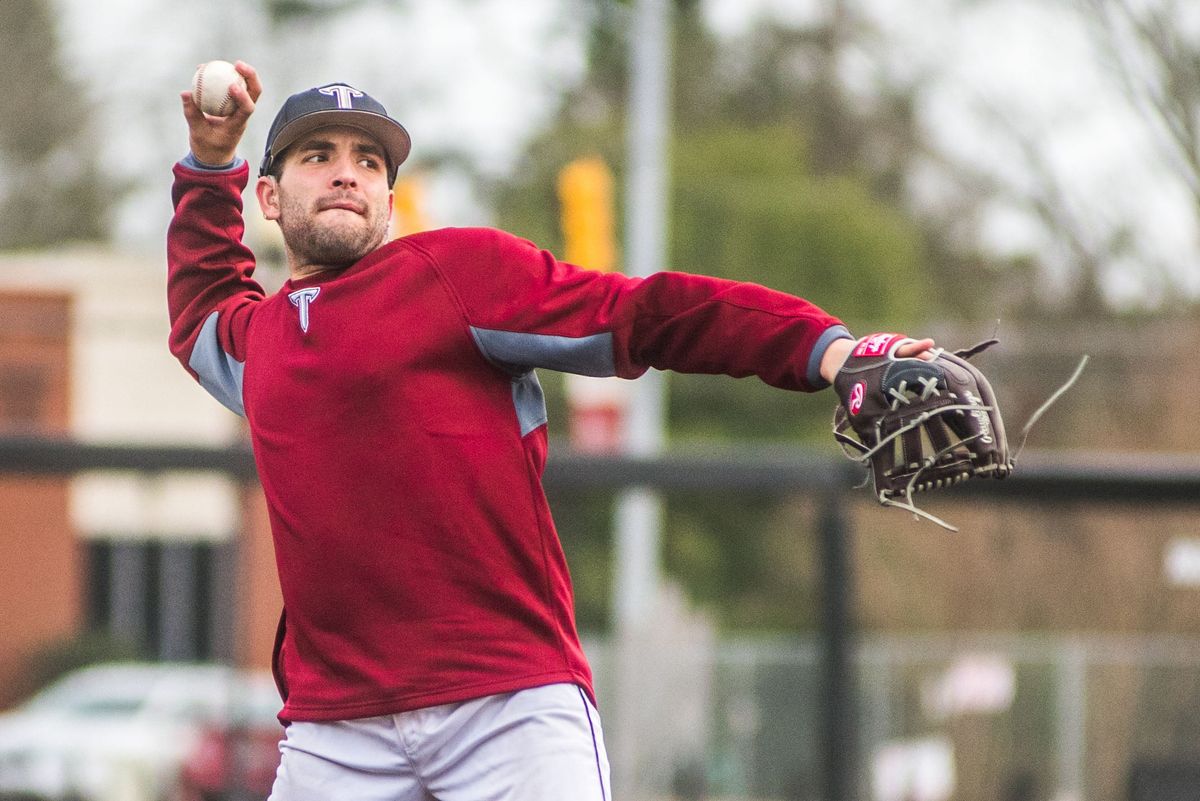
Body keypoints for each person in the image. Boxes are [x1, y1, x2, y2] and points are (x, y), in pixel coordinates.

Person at [168, 61, 933, 801]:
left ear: (388, 199)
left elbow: (644, 314)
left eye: (369, 161)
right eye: (317, 155)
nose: (347, 173)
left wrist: (826, 348)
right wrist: (209, 165)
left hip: (506, 702)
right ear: (268, 196)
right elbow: (201, 304)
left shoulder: (452, 273)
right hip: (337, 729)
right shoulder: (258, 342)